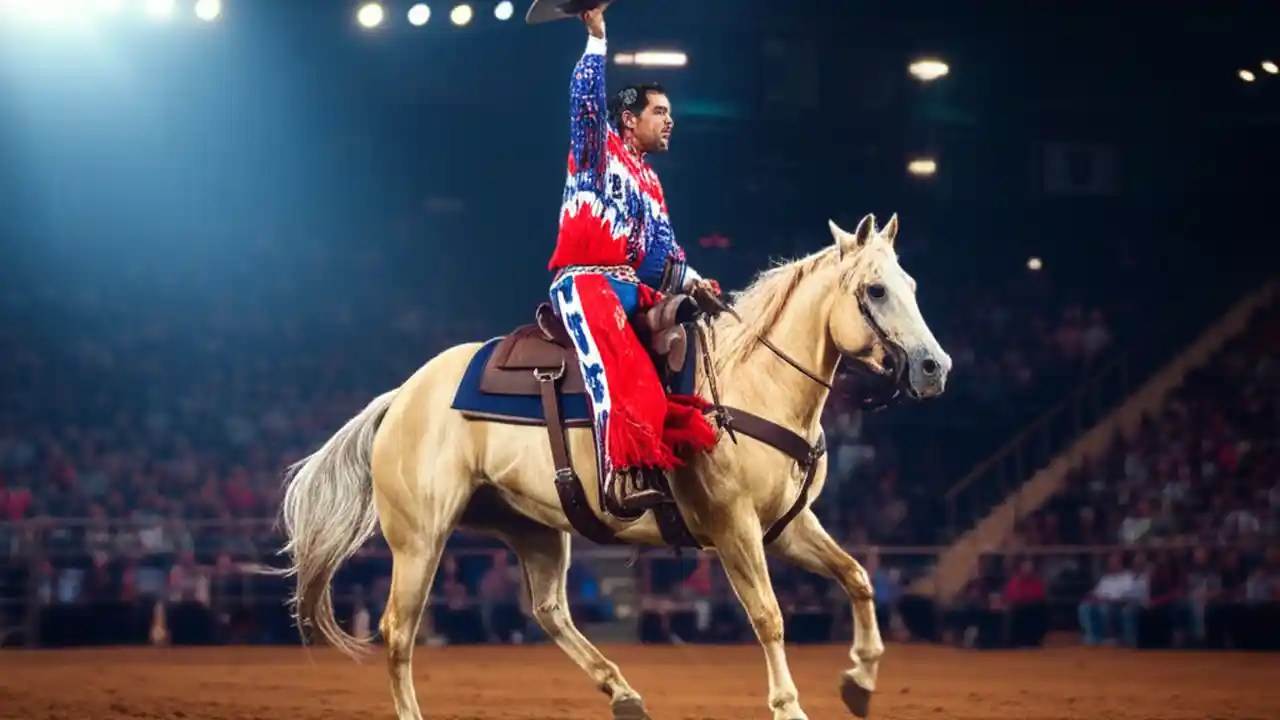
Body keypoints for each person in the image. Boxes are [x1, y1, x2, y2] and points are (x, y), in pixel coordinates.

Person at [546, 2, 720, 517]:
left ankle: (680, 461)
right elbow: (584, 104)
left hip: (633, 287)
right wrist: (597, 40)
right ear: (628, 118)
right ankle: (618, 475)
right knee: (624, 367)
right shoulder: (597, 147)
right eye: (660, 112)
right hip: (586, 283)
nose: (671, 121)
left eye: (669, 113)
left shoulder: (649, 178)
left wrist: (695, 284)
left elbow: (661, 255)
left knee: (689, 341)